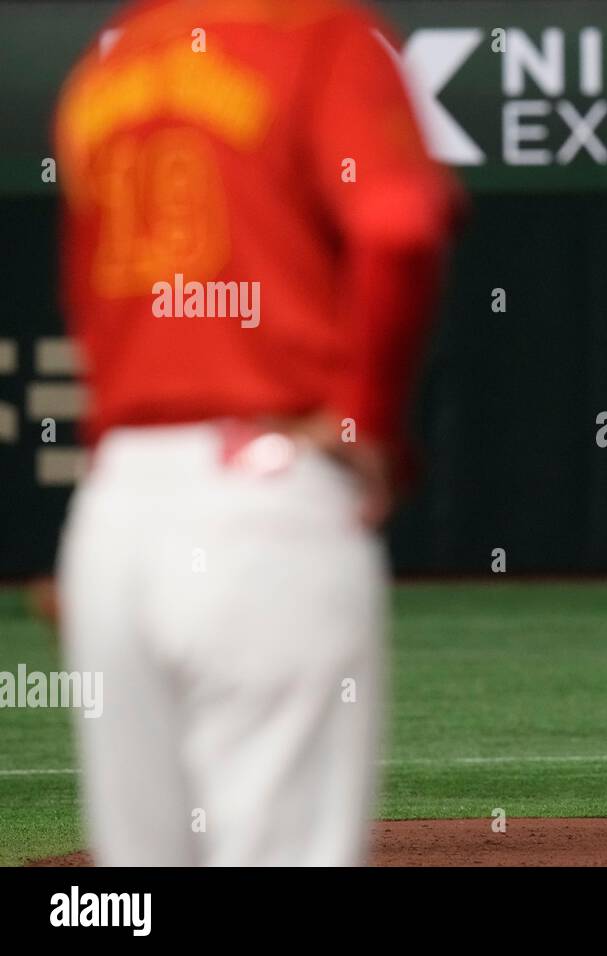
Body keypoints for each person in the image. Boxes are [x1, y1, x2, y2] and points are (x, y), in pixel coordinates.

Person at [53, 0, 464, 864]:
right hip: (262, 495)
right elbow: (400, 225)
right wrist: (364, 415)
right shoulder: (316, 34)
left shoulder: (109, 65)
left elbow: (92, 305)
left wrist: (120, 511)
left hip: (115, 509)